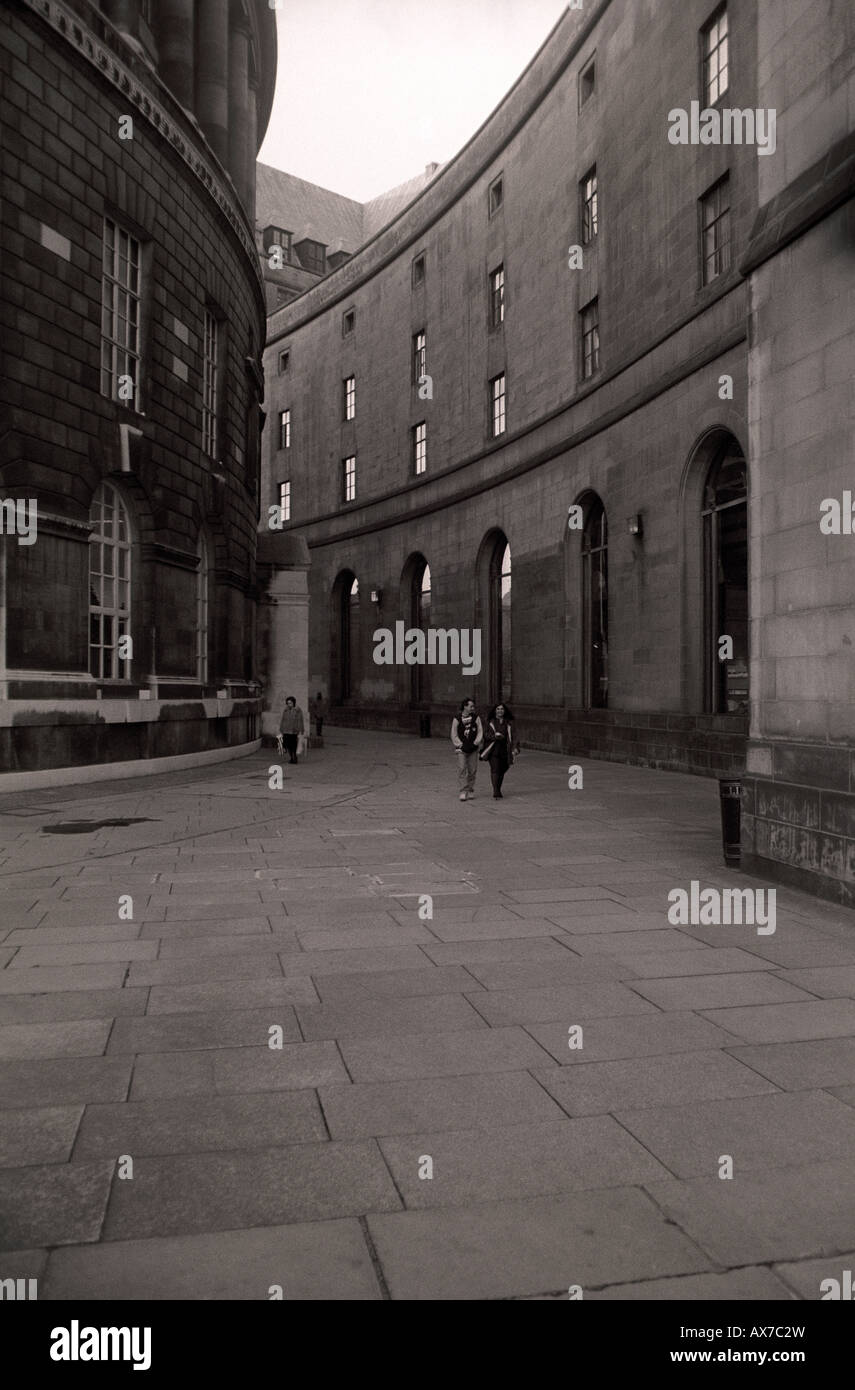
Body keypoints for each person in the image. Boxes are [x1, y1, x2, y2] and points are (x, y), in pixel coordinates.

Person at [481, 702, 517, 799]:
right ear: (494, 711)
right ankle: (496, 791)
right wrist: (494, 736)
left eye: (502, 709)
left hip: (505, 749)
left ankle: (498, 788)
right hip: (493, 749)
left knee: (503, 769)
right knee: (495, 769)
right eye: (498, 709)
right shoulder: (490, 721)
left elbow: (514, 736)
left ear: (504, 711)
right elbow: (485, 735)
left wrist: (515, 747)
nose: (500, 711)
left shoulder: (509, 722)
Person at [450, 697, 483, 801]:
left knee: (472, 770)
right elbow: (454, 733)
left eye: (473, 706)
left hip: (473, 748)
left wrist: (476, 742)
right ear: (465, 706)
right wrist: (459, 744)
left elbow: (480, 731)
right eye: (471, 706)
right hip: (461, 748)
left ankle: (471, 789)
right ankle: (463, 791)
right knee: (462, 768)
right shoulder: (457, 718)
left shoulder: (476, 718)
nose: (472, 708)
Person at [279, 695, 304, 764]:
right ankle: (291, 757)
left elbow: (300, 720)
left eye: (290, 703)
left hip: (294, 731)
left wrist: (301, 730)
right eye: (288, 703)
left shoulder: (297, 710)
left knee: (293, 745)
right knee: (287, 745)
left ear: (294, 703)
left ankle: (294, 758)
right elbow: (283, 720)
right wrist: (281, 728)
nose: (289, 704)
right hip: (286, 730)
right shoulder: (285, 710)